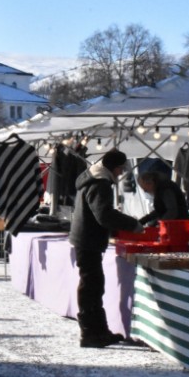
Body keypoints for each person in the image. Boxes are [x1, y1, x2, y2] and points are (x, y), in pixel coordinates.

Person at [69, 149, 143, 348]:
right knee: (92, 286)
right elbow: (104, 215)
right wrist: (132, 224)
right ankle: (91, 333)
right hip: (88, 240)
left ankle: (99, 331)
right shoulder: (100, 183)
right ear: (116, 167)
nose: (120, 174)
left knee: (93, 285)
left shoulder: (93, 178)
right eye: (121, 169)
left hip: (86, 238)